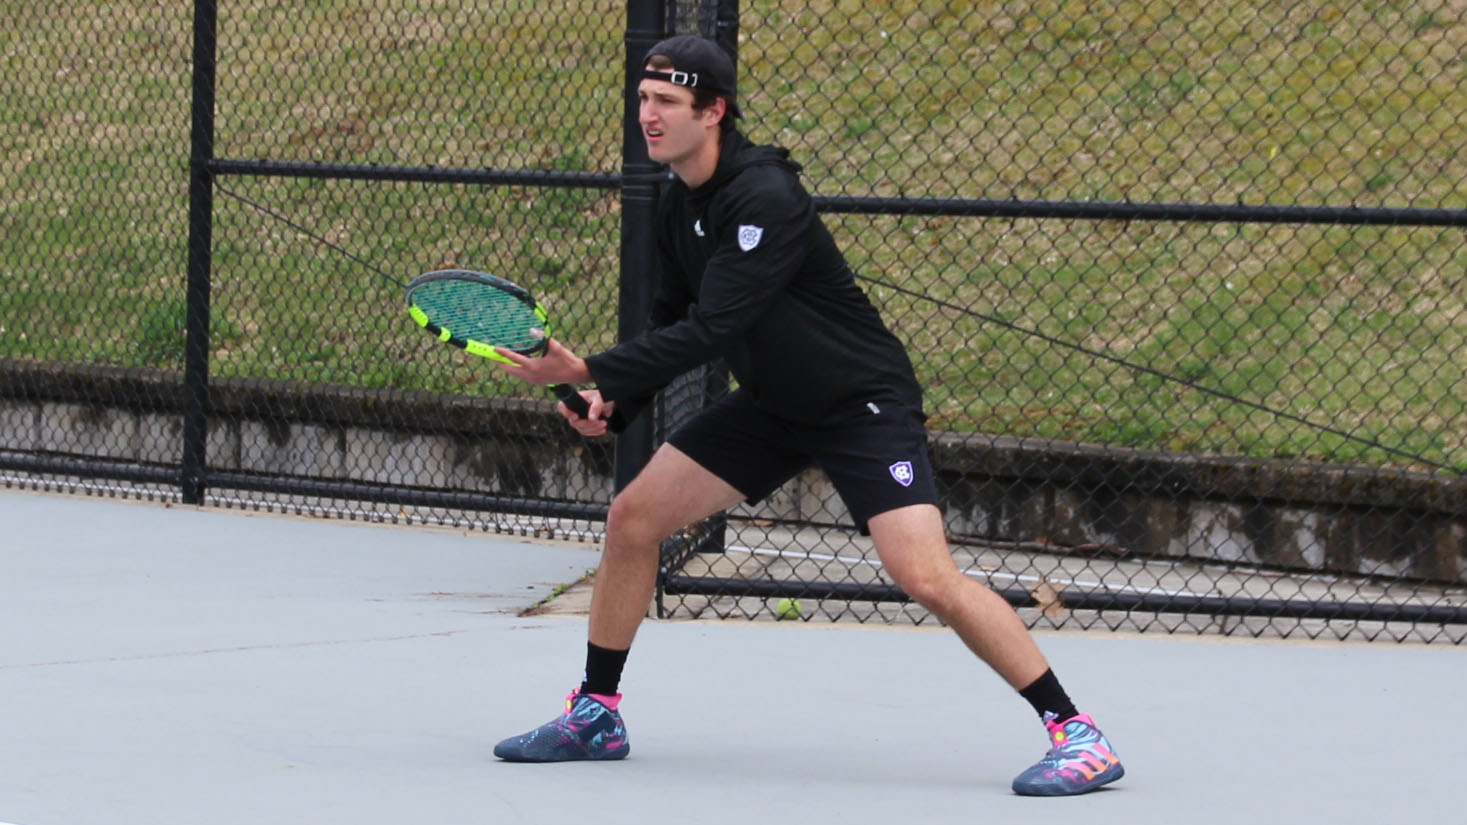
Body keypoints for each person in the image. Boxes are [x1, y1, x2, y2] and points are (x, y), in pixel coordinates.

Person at [489, 34, 1124, 796]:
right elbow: (667, 321)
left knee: (923, 575)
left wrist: (585, 367)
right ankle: (595, 713)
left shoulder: (765, 196)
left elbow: (715, 326)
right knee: (632, 517)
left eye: (665, 102)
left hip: (860, 405)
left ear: (713, 110)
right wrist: (614, 400)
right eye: (641, 100)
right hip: (770, 406)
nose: (646, 116)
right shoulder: (673, 203)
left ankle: (1076, 733)